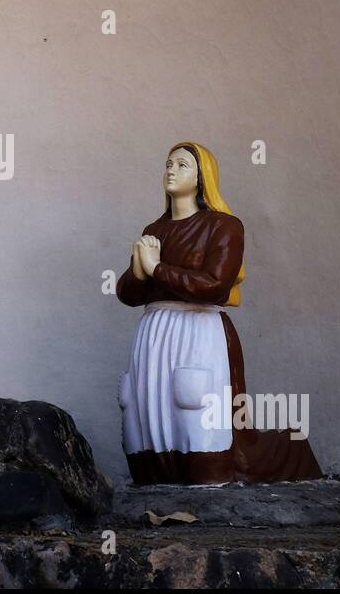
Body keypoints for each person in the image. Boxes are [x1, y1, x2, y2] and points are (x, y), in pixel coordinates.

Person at [116, 141, 322, 485]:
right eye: (168, 163)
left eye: (182, 165)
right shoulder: (154, 230)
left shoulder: (224, 226)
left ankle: (216, 474)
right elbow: (129, 294)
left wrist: (157, 269)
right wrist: (138, 273)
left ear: (202, 177)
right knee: (144, 409)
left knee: (195, 409)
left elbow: (214, 284)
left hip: (198, 332)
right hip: (154, 334)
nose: (170, 170)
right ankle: (156, 479)